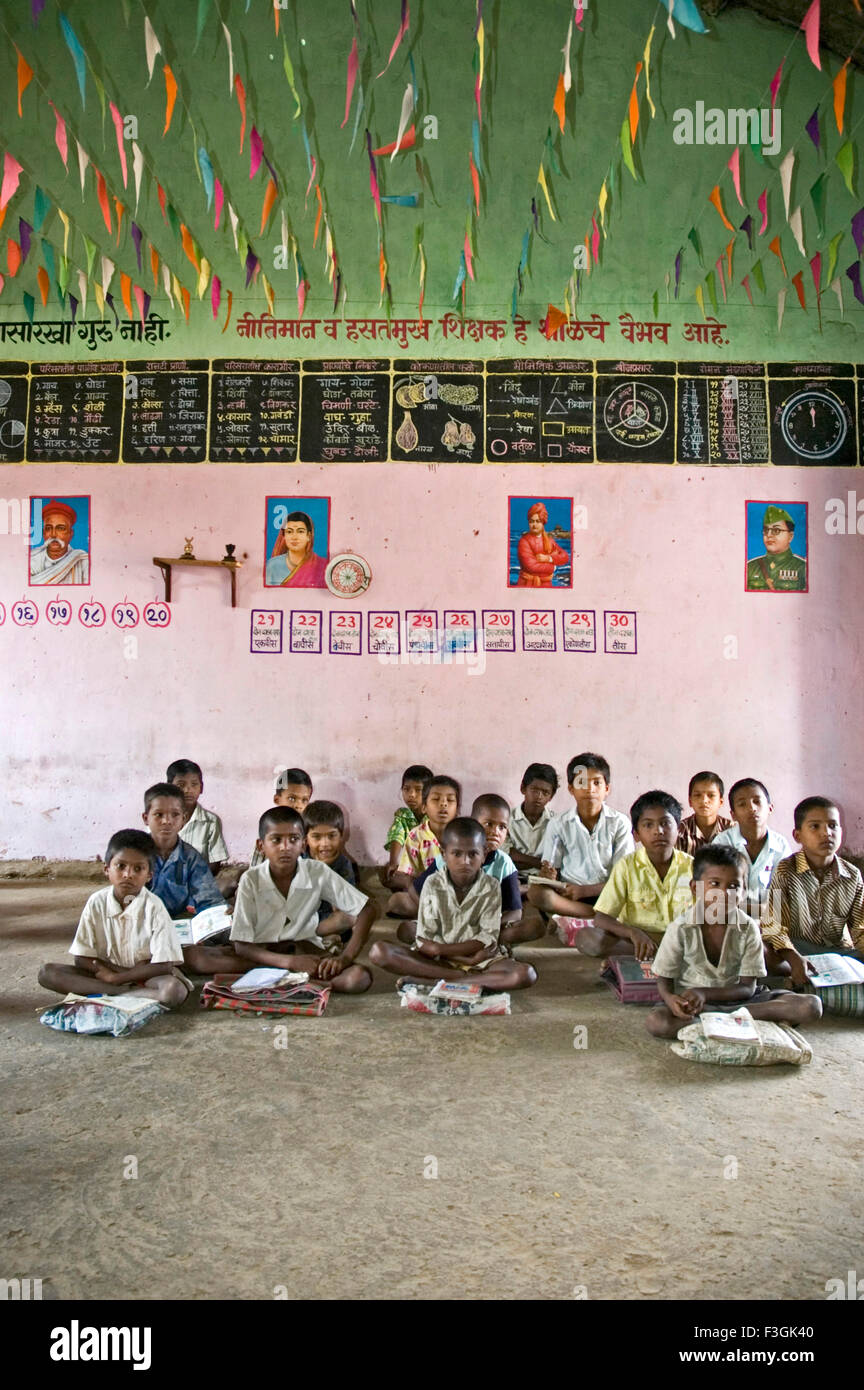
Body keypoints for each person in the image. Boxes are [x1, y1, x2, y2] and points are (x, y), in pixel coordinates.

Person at [646, 845, 822, 1038]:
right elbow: (664, 978)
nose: (724, 893)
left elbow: (747, 987)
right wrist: (671, 999)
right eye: (714, 884)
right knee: (659, 1022)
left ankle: (715, 1022)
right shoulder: (680, 928)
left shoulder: (748, 927)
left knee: (810, 1006)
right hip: (695, 1004)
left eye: (733, 886)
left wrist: (705, 993)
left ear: (744, 890)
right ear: (695, 887)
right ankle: (737, 1022)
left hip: (740, 1000)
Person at [369, 818, 538, 992]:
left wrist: (445, 950)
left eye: (473, 854)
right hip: (438, 960)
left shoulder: (491, 886)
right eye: (456, 854)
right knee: (379, 952)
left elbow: (487, 937)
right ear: (443, 854)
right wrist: (464, 961)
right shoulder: (433, 884)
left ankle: (436, 983)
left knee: (526, 974)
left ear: (484, 854)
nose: (465, 861)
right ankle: (464, 979)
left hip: (481, 959)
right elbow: (426, 940)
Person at [37, 830, 190, 1008]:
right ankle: (126, 995)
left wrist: (119, 977)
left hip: (147, 977)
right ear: (107, 869)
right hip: (105, 974)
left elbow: (163, 965)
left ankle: (111, 994)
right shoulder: (96, 902)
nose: (128, 874)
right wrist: (110, 974)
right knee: (47, 973)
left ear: (149, 875)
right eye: (121, 866)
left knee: (173, 991)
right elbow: (81, 958)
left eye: (138, 868)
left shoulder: (155, 907)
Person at [230, 807, 373, 993]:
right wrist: (290, 962)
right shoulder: (250, 879)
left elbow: (367, 909)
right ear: (260, 846)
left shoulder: (317, 872)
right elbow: (241, 946)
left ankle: (279, 982)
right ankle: (303, 984)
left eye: (293, 839)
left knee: (358, 978)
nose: (285, 847)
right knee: (199, 959)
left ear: (303, 844)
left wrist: (345, 958)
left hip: (303, 949)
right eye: (276, 840)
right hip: (261, 953)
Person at [574, 791, 693, 959]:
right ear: (636, 834)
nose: (658, 831)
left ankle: (657, 955)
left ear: (679, 829)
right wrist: (632, 932)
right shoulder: (626, 867)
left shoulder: (694, 867)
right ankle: (657, 955)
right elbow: (601, 918)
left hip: (681, 941)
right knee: (587, 938)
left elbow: (710, 917)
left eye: (665, 823)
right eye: (648, 825)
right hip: (639, 940)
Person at [761, 797, 864, 987]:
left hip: (837, 953)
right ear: (798, 836)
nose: (826, 833)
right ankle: (792, 977)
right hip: (798, 949)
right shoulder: (785, 870)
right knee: (763, 949)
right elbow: (774, 927)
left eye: (833, 826)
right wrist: (793, 957)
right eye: (815, 827)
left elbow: (860, 929)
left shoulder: (852, 875)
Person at [400, 795, 527, 944]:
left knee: (531, 927)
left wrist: (487, 927)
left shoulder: (504, 863)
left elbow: (515, 912)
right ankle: (455, 948)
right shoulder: (448, 858)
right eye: (489, 824)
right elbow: (417, 890)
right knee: (407, 929)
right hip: (446, 923)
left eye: (502, 827)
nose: (496, 832)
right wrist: (430, 917)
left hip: (484, 926)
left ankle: (451, 949)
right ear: (473, 824)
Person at [142, 783, 238, 975]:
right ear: (146, 818)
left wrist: (218, 917)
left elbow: (208, 900)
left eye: (175, 815)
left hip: (181, 927)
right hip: (143, 928)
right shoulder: (137, 854)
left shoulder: (190, 857)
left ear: (184, 819)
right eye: (159, 815)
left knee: (232, 928)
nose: (166, 821)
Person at [528, 753, 633, 920]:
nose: (589, 789)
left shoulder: (620, 823)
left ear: (607, 789)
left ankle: (579, 917)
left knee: (634, 890)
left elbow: (623, 876)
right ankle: (597, 917)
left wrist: (585, 890)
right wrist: (549, 875)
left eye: (597, 783)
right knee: (536, 892)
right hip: (570, 895)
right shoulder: (558, 823)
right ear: (571, 789)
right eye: (581, 782)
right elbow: (552, 865)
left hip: (608, 892)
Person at [386, 775, 461, 916]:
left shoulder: (463, 834)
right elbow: (405, 875)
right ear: (424, 807)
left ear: (457, 808)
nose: (443, 804)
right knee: (396, 901)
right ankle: (438, 913)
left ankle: (433, 915)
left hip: (458, 893)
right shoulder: (416, 836)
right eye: (436, 799)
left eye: (450, 800)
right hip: (427, 893)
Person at [713, 779, 790, 915]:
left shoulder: (781, 846)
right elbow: (716, 899)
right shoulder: (722, 843)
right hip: (729, 922)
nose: (752, 808)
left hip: (771, 926)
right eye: (742, 804)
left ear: (770, 808)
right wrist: (762, 910)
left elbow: (785, 901)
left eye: (757, 801)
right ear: (733, 815)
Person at [167, 758, 228, 873]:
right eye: (181, 785)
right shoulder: (159, 819)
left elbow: (214, 864)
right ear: (169, 787)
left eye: (194, 784)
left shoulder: (211, 822)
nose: (187, 790)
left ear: (201, 788)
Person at [380, 764, 434, 886]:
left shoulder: (434, 815)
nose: (411, 794)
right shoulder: (403, 815)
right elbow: (397, 835)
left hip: (434, 865)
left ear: (429, 792)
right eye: (406, 789)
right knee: (388, 877)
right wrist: (393, 862)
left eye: (418, 790)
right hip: (413, 867)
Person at [249, 768, 314, 868]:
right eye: (292, 798)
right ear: (277, 799)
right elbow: (255, 871)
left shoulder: (311, 831)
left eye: (304, 800)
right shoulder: (268, 828)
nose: (298, 805)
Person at [505, 763, 558, 878]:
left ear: (551, 796)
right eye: (534, 790)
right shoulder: (507, 818)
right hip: (512, 877)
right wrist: (538, 863)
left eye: (545, 792)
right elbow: (506, 856)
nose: (539, 796)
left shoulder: (557, 822)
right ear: (523, 788)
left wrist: (519, 858)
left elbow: (556, 862)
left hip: (544, 879)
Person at [746, 505, 807, 592]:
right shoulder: (750, 567)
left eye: (776, 530)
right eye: (766, 530)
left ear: (790, 536)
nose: (769, 535)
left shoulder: (803, 568)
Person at [29, 498, 89, 585]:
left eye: (60, 528)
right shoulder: (32, 561)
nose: (53, 535)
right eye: (49, 528)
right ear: (43, 533)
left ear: (71, 534)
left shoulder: (83, 562)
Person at [265, 510, 328, 587]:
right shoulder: (273, 565)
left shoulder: (322, 566)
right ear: (284, 536)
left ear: (309, 536)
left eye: (300, 531)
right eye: (289, 532)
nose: (294, 537)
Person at [677, 771, 733, 857]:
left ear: (721, 802)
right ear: (690, 801)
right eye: (697, 795)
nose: (704, 801)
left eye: (711, 795)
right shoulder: (680, 831)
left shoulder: (732, 829)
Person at [515, 502, 569, 588]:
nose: (534, 525)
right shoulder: (524, 541)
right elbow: (531, 566)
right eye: (531, 521)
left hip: (546, 585)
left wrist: (548, 558)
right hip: (526, 585)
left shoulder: (550, 541)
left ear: (543, 523)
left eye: (538, 521)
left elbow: (565, 556)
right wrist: (553, 567)